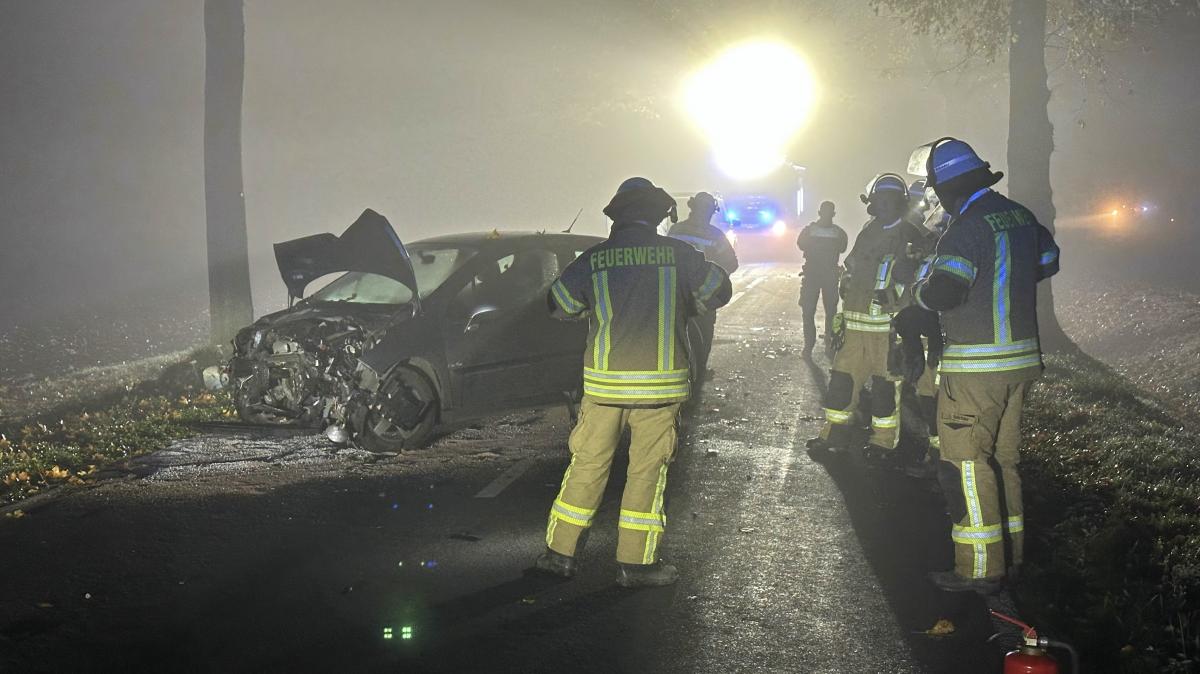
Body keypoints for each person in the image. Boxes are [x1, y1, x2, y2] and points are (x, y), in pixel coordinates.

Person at [536, 177, 732, 587]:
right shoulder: (679, 254)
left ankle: (560, 555)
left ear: (616, 217)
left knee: (588, 465)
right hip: (660, 392)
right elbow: (720, 290)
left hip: (605, 388)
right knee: (646, 472)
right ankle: (636, 565)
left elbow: (558, 305)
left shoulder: (594, 260)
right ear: (659, 216)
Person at [908, 138, 1060, 594]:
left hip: (976, 368)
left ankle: (978, 569)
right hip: (1020, 363)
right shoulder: (1020, 216)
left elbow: (944, 293)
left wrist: (918, 286)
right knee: (1004, 462)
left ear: (947, 188)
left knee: (966, 465)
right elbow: (1048, 261)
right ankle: (1010, 558)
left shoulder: (964, 228)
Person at [806, 174, 925, 457]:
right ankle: (834, 436)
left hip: (887, 329)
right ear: (872, 204)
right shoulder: (868, 232)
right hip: (855, 327)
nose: (883, 205)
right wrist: (843, 307)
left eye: (889, 200)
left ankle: (882, 444)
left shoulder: (910, 236)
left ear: (900, 203)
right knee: (841, 384)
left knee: (885, 390)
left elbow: (918, 280)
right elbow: (851, 268)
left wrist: (898, 304)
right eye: (879, 200)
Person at [669, 192, 739, 377]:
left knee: (672, 333)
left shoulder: (676, 231)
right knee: (704, 334)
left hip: (672, 293)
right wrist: (712, 282)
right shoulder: (715, 235)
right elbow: (731, 263)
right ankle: (699, 372)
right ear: (710, 212)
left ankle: (677, 369)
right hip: (703, 297)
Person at [795, 200, 848, 358]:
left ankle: (808, 347)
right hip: (830, 275)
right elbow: (843, 248)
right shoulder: (839, 233)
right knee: (831, 312)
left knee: (808, 311)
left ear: (819, 212)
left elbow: (801, 245)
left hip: (812, 275)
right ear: (834, 214)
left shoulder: (809, 230)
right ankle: (830, 346)